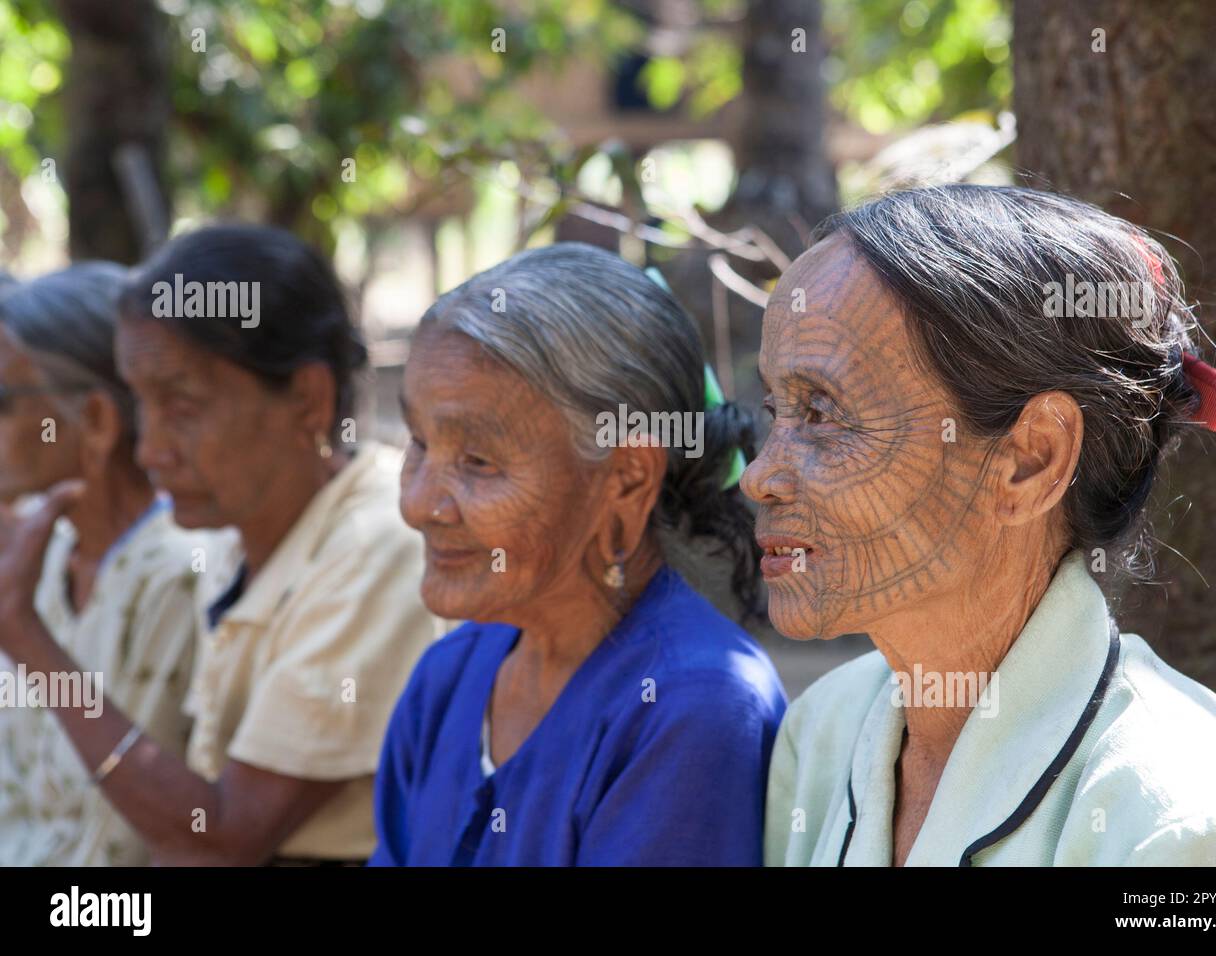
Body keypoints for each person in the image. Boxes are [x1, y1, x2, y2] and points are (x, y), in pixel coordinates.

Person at [751, 184, 1216, 866]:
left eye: (823, 414)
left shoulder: (1184, 825)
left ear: (1030, 459)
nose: (759, 475)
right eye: (776, 409)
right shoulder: (822, 738)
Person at [0, 225, 450, 865]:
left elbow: (226, 834)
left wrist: (25, 636)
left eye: (183, 405)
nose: (150, 446)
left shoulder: (376, 545)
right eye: (142, 404)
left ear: (307, 399)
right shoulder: (234, 545)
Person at [370, 242, 786, 866]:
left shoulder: (694, 708)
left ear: (626, 479)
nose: (419, 503)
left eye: (477, 462)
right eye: (418, 443)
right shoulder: (448, 680)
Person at [0, 263, 205, 865]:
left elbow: (124, 841)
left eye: (3, 402)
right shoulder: (50, 551)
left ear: (96, 419)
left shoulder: (179, 572)